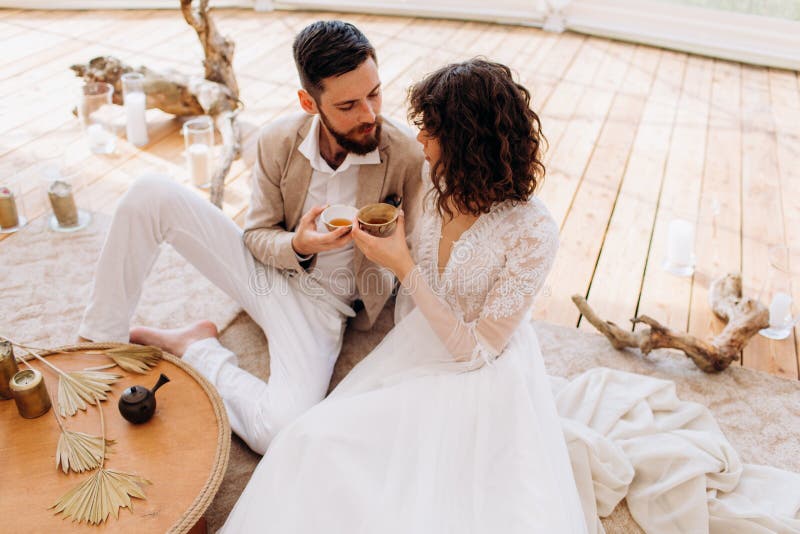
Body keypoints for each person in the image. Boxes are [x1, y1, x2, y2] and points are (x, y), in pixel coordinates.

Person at [217, 59, 588, 533]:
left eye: (431, 130)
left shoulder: (534, 233)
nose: (420, 139)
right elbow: (410, 257)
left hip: (482, 379)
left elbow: (476, 352)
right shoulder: (436, 185)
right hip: (417, 340)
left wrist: (403, 266)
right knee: (307, 441)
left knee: (409, 498)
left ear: (466, 143)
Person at [78, 20, 424, 455]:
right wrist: (299, 245)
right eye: (348, 105)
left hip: (323, 305)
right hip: (263, 271)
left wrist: (389, 255)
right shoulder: (276, 141)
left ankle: (196, 347)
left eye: (374, 94)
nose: (369, 114)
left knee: (278, 432)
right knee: (149, 192)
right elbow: (257, 233)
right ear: (309, 103)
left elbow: (419, 256)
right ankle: (99, 341)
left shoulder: (404, 154)